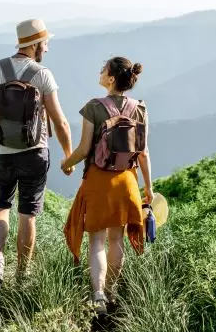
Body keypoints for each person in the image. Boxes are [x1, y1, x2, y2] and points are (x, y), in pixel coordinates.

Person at [0, 19, 73, 286]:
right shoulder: (42, 75)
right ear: (34, 44)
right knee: (27, 213)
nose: (47, 48)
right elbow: (60, 120)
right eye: (45, 43)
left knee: (1, 208)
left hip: (3, 152)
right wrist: (68, 156)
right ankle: (23, 273)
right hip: (34, 152)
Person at [61, 56, 153, 316]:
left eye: (103, 70)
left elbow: (83, 149)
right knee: (117, 239)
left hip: (99, 180)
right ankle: (111, 291)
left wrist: (65, 163)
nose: (99, 72)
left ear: (111, 78)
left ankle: (98, 295)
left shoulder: (93, 107)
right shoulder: (140, 109)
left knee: (97, 242)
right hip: (127, 180)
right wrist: (149, 187)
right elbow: (144, 152)